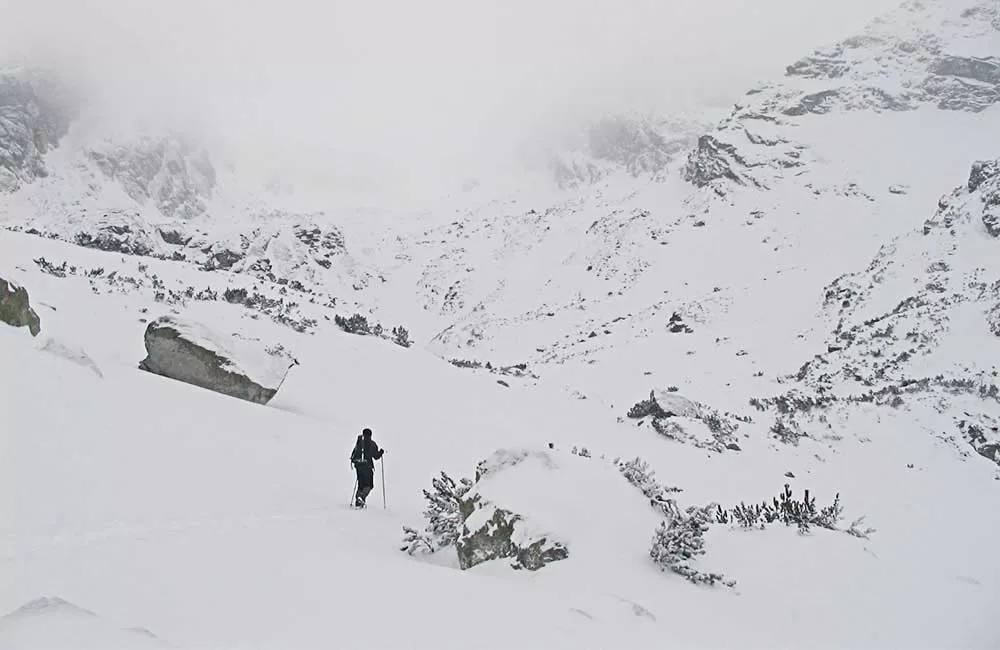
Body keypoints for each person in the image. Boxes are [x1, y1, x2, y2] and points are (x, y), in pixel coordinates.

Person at [350, 428, 384, 508]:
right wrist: (381, 452)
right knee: (369, 484)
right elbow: (376, 456)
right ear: (370, 435)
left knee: (361, 484)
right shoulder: (372, 444)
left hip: (358, 466)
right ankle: (361, 497)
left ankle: (358, 500)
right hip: (367, 466)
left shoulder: (359, 443)